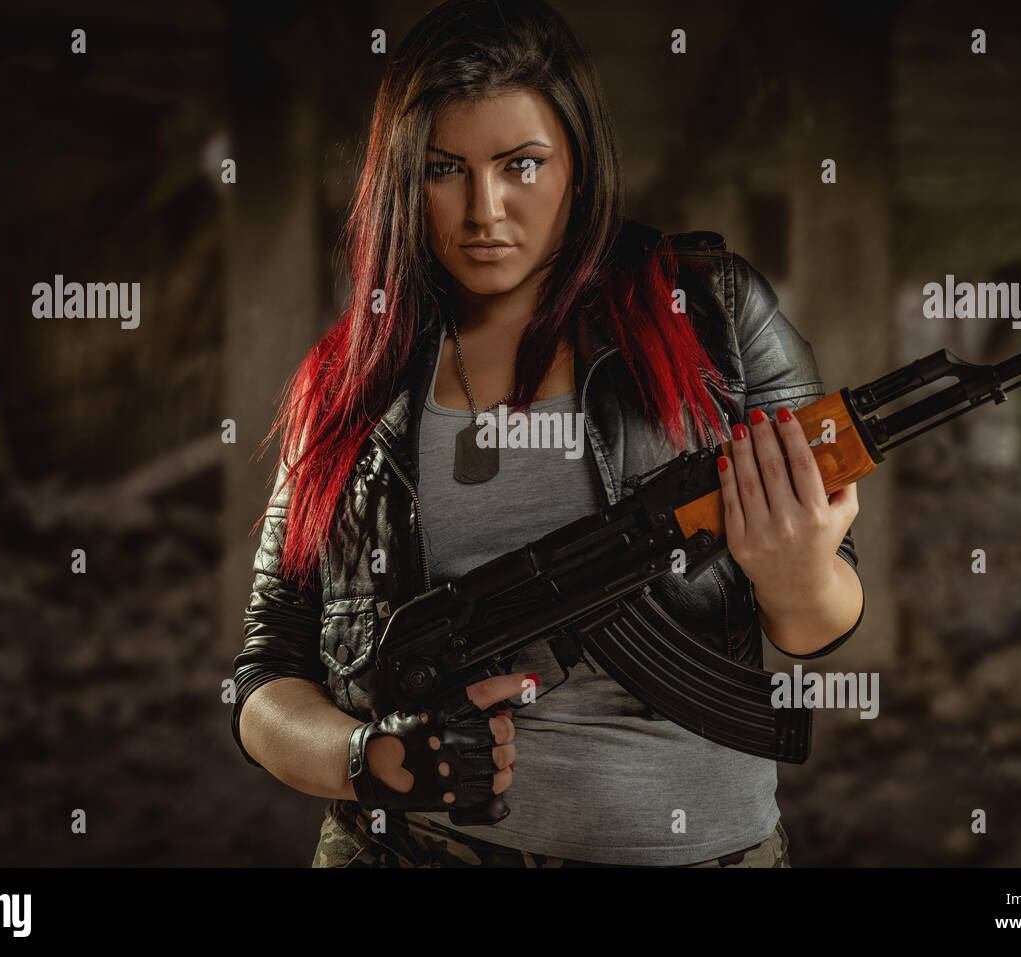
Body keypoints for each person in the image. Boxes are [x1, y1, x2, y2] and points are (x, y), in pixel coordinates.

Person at [230, 0, 864, 868]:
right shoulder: (347, 387)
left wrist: (798, 575)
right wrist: (376, 762)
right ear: (401, 179)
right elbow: (264, 674)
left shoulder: (708, 312)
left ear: (579, 166)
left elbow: (821, 615)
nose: (484, 209)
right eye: (444, 168)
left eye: (521, 165)